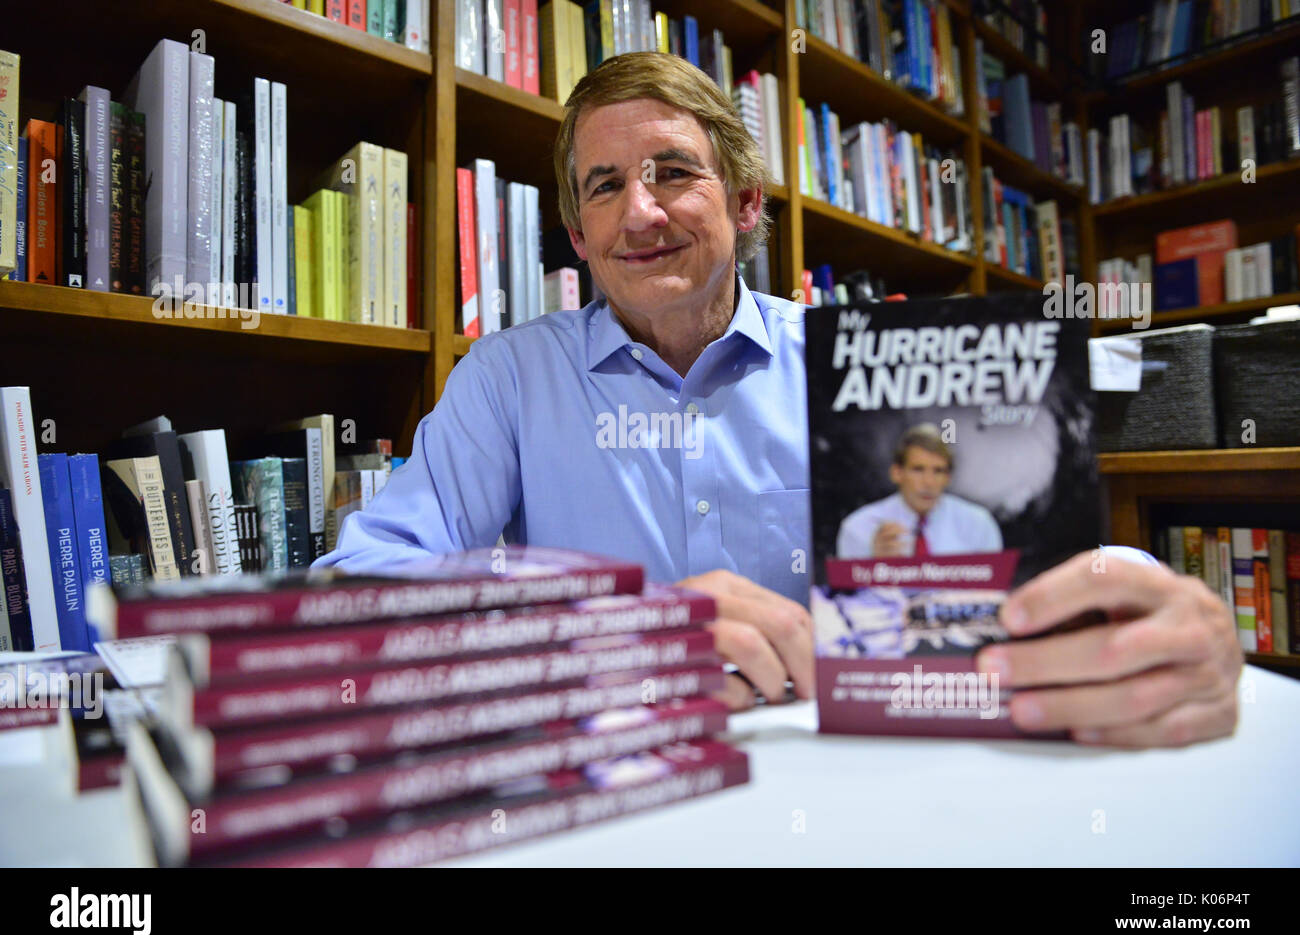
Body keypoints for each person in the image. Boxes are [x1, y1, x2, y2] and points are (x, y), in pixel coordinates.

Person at [315, 52, 1242, 747]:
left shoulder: (862, 364)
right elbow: (351, 591)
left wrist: (1138, 605)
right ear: (579, 235)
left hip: (842, 779)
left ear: (748, 203)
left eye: (674, 172)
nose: (640, 212)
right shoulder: (507, 378)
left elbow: (1027, 555)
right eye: (606, 188)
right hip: (605, 773)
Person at [837, 424, 1001, 559]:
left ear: (948, 477)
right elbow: (847, 597)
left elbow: (992, 593)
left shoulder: (979, 524)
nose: (929, 482)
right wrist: (874, 563)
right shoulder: (859, 527)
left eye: (938, 471)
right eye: (918, 469)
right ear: (897, 473)